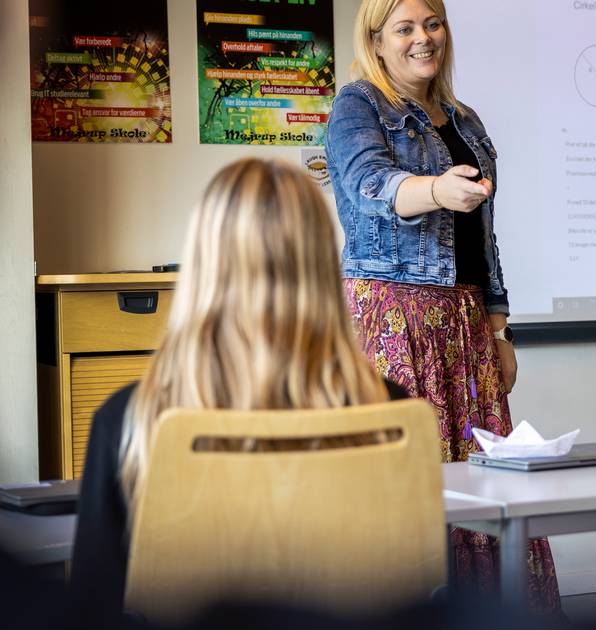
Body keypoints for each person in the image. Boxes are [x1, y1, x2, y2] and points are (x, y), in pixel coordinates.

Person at [70, 159, 408, 620]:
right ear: (321, 266)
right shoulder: (389, 412)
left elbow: (93, 608)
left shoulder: (130, 418)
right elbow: (412, 589)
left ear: (204, 267)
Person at [324, 0, 559, 611]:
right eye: (405, 28)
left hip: (466, 327)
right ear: (377, 40)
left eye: (433, 24)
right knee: (408, 491)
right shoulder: (358, 103)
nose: (423, 39)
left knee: (488, 493)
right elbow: (367, 183)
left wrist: (499, 329)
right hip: (394, 322)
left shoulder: (465, 119)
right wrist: (434, 190)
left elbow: (483, 239)